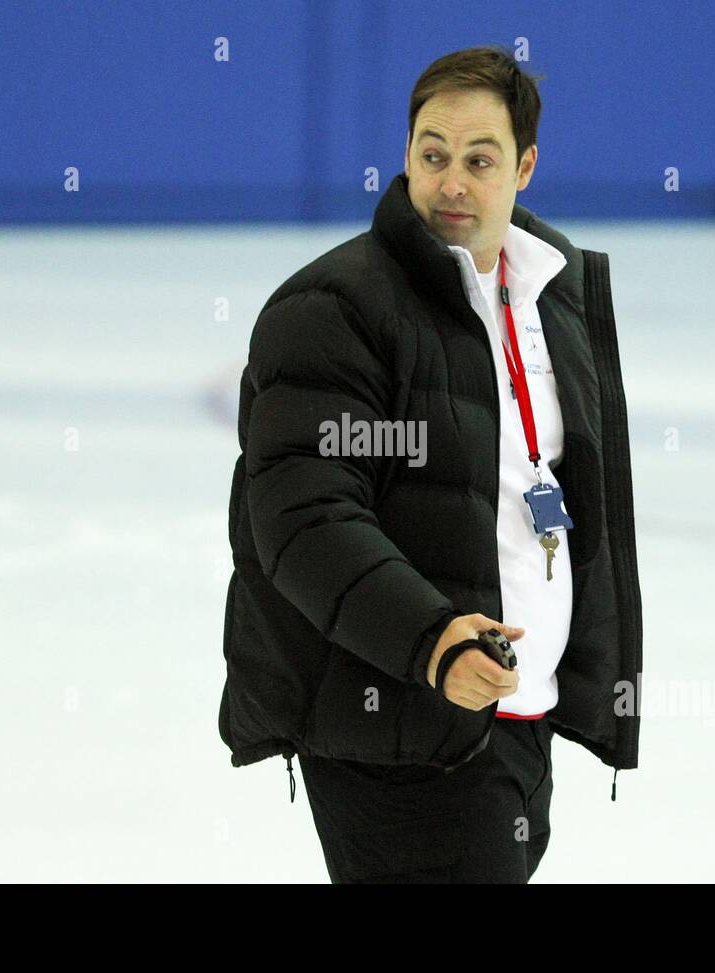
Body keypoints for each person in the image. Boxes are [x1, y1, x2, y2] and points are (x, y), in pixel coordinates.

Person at [218, 45, 643, 883]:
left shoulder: (553, 293)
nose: (452, 182)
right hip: (394, 730)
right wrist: (433, 642)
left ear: (524, 166)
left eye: (479, 160)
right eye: (432, 154)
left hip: (515, 718)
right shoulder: (336, 310)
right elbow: (306, 522)